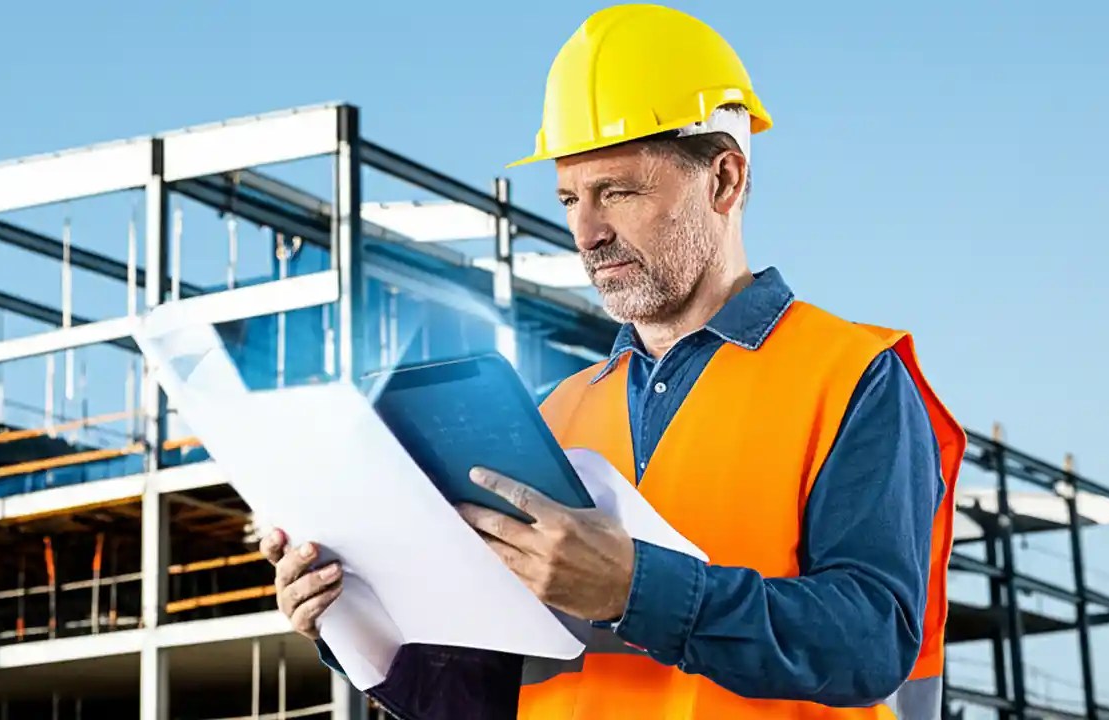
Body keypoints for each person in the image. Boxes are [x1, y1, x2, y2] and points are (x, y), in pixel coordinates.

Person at [260, 4, 965, 719]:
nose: (587, 232)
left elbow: (873, 644)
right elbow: (490, 696)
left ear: (723, 179)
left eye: (617, 192)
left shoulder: (851, 376)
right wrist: (352, 623)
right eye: (569, 197)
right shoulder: (553, 413)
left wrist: (636, 590)